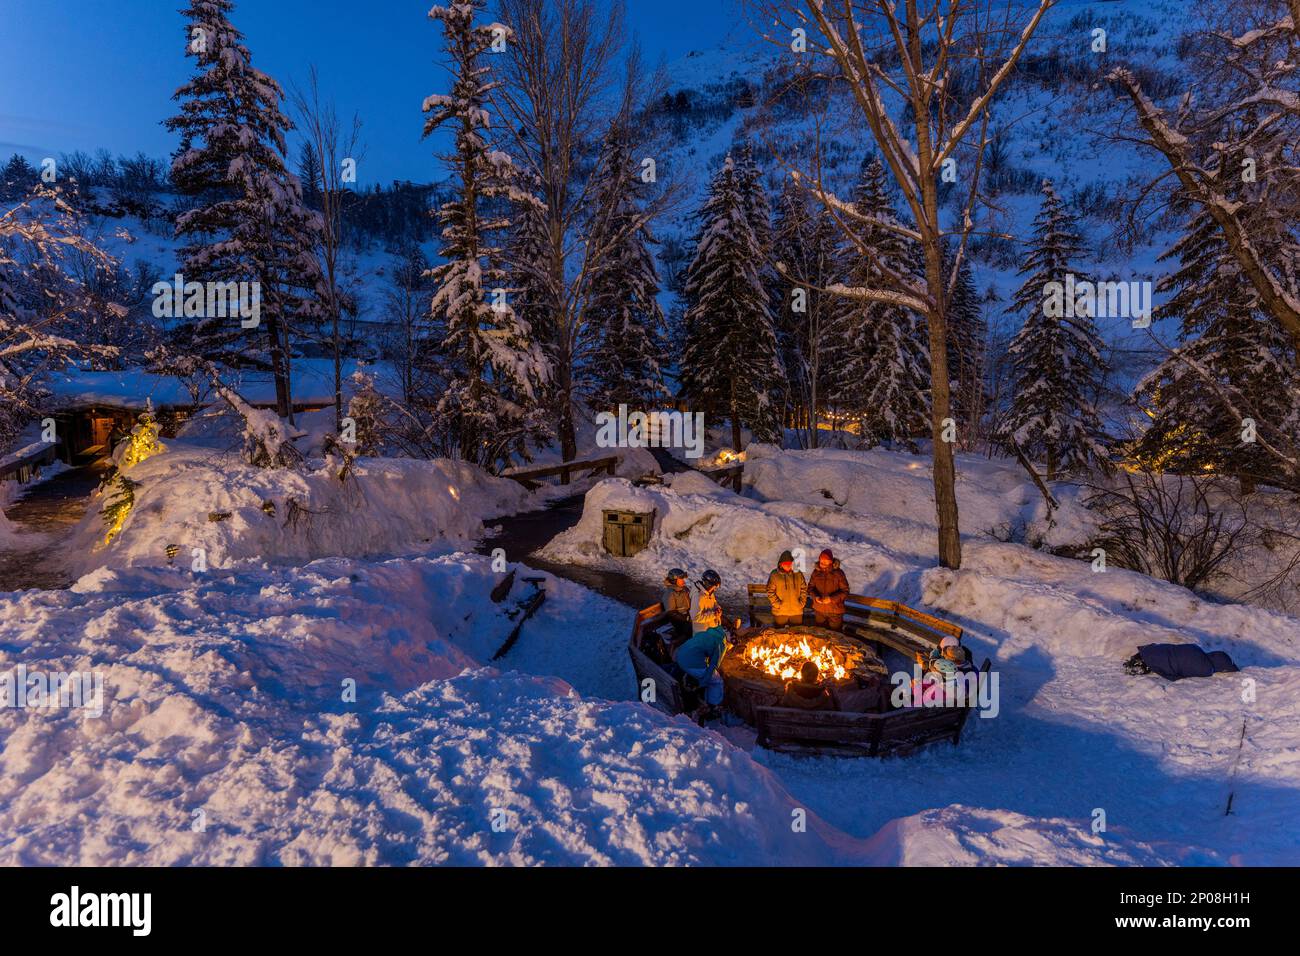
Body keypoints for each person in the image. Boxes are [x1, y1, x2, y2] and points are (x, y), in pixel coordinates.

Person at [674, 623, 728, 721]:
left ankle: (702, 692)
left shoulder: (703, 634)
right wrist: (704, 681)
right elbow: (714, 665)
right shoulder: (721, 643)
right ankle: (713, 707)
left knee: (706, 675)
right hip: (691, 664)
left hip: (680, 658)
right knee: (717, 681)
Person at [807, 549, 849, 631]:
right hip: (819, 610)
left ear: (831, 562)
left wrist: (831, 599)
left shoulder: (838, 573)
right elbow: (810, 588)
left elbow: (845, 591)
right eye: (821, 561)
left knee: (835, 636)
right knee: (820, 634)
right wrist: (815, 597)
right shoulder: (816, 573)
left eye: (825, 561)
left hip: (835, 611)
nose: (822, 563)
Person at [766, 550, 807, 627]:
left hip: (796, 611)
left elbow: (804, 589)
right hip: (780, 612)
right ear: (780, 564)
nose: (788, 566)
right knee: (779, 635)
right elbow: (770, 591)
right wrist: (777, 605)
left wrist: (801, 603)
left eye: (790, 564)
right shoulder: (775, 575)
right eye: (785, 564)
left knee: (797, 635)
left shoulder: (798, 573)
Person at [661, 568, 692, 643]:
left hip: (689, 617)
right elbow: (671, 612)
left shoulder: (684, 589)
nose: (683, 581)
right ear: (674, 580)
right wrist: (686, 619)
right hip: (680, 622)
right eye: (681, 579)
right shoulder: (670, 593)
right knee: (693, 630)